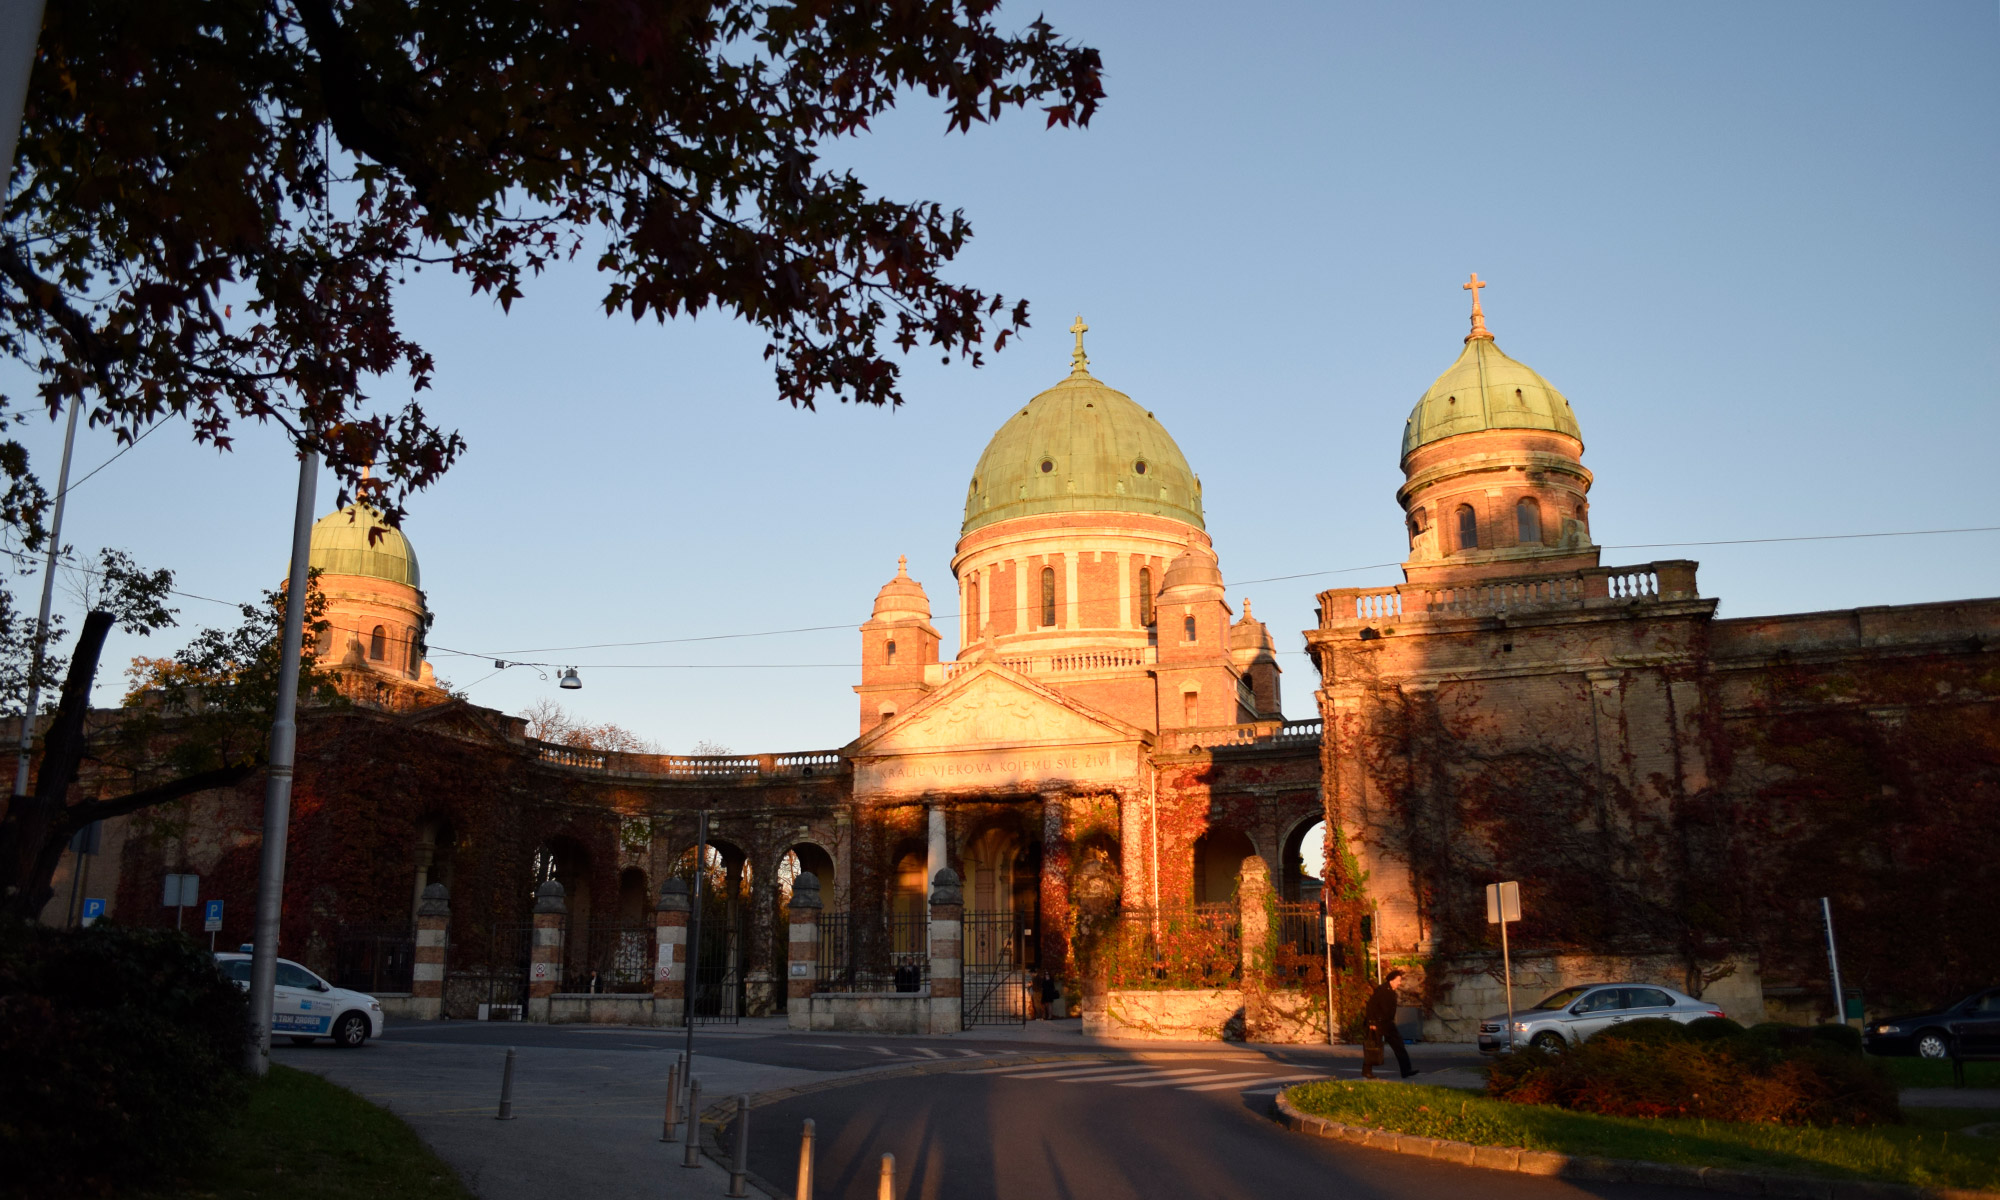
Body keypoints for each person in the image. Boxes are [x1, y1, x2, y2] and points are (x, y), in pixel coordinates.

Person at [1364, 968, 1417, 1080]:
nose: (1399, 982)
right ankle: (1366, 1071)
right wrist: (1371, 1022)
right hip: (1378, 1023)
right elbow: (1371, 1006)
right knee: (1374, 1047)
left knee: (1399, 1045)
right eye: (1398, 980)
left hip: (1388, 1024)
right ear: (1391, 981)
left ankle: (1406, 1070)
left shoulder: (1392, 991)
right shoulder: (1382, 990)